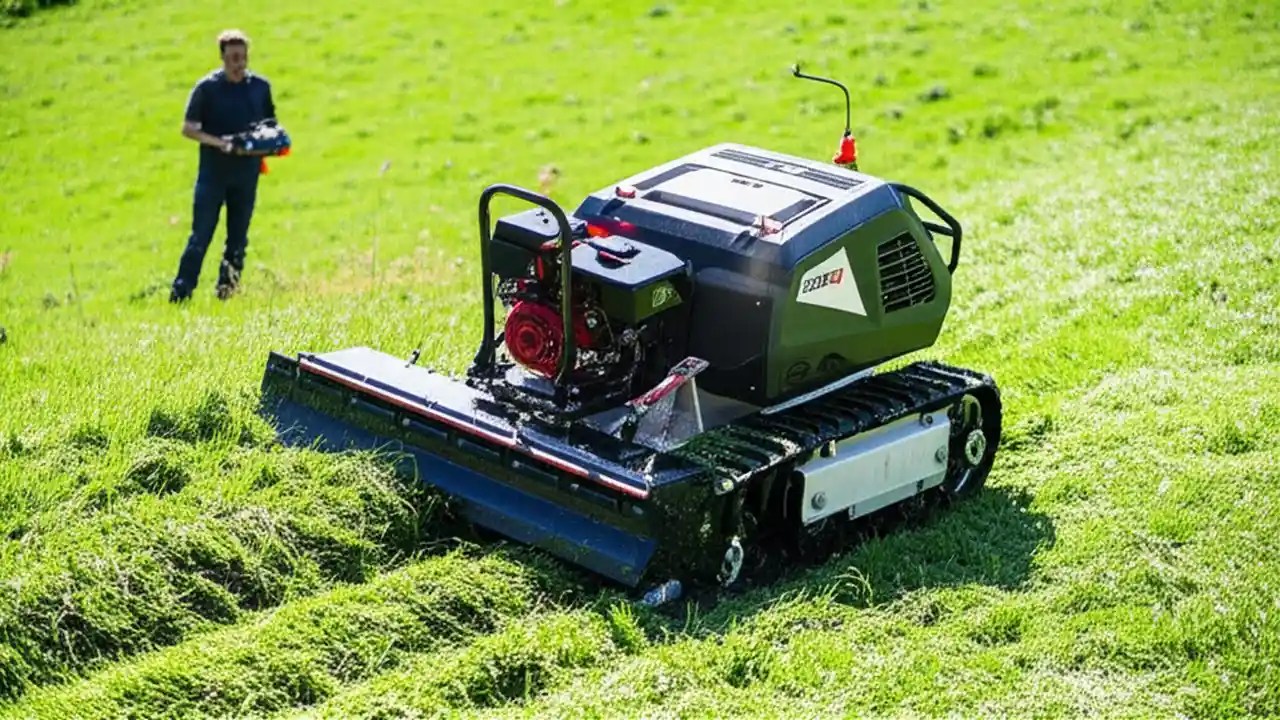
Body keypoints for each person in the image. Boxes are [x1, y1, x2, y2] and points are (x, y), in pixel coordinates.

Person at [170, 29, 277, 302]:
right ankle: (181, 293)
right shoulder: (207, 89)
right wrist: (221, 143)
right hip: (213, 174)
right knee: (201, 235)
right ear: (223, 58)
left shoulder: (260, 88)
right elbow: (188, 128)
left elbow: (270, 126)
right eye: (233, 58)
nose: (238, 63)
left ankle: (227, 293)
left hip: (247, 173)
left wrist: (264, 144)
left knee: (238, 238)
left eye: (242, 57)